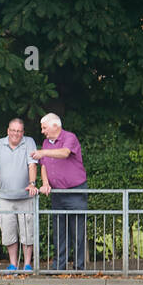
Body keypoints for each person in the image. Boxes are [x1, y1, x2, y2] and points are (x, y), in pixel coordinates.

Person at [32, 113, 88, 271]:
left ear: (55, 125)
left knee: (77, 230)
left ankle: (79, 268)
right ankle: (59, 266)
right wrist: (45, 182)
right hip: (57, 192)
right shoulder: (45, 142)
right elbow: (43, 166)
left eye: (44, 127)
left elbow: (64, 153)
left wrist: (43, 152)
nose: (42, 131)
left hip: (75, 190)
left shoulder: (69, 137)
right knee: (59, 230)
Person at [0, 118, 39, 272]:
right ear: (8, 131)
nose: (16, 134)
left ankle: (27, 264)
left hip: (26, 198)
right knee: (8, 233)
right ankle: (13, 264)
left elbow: (32, 165)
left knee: (27, 233)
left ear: (23, 132)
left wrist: (32, 183)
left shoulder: (29, 142)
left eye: (19, 131)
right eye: (13, 130)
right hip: (5, 198)